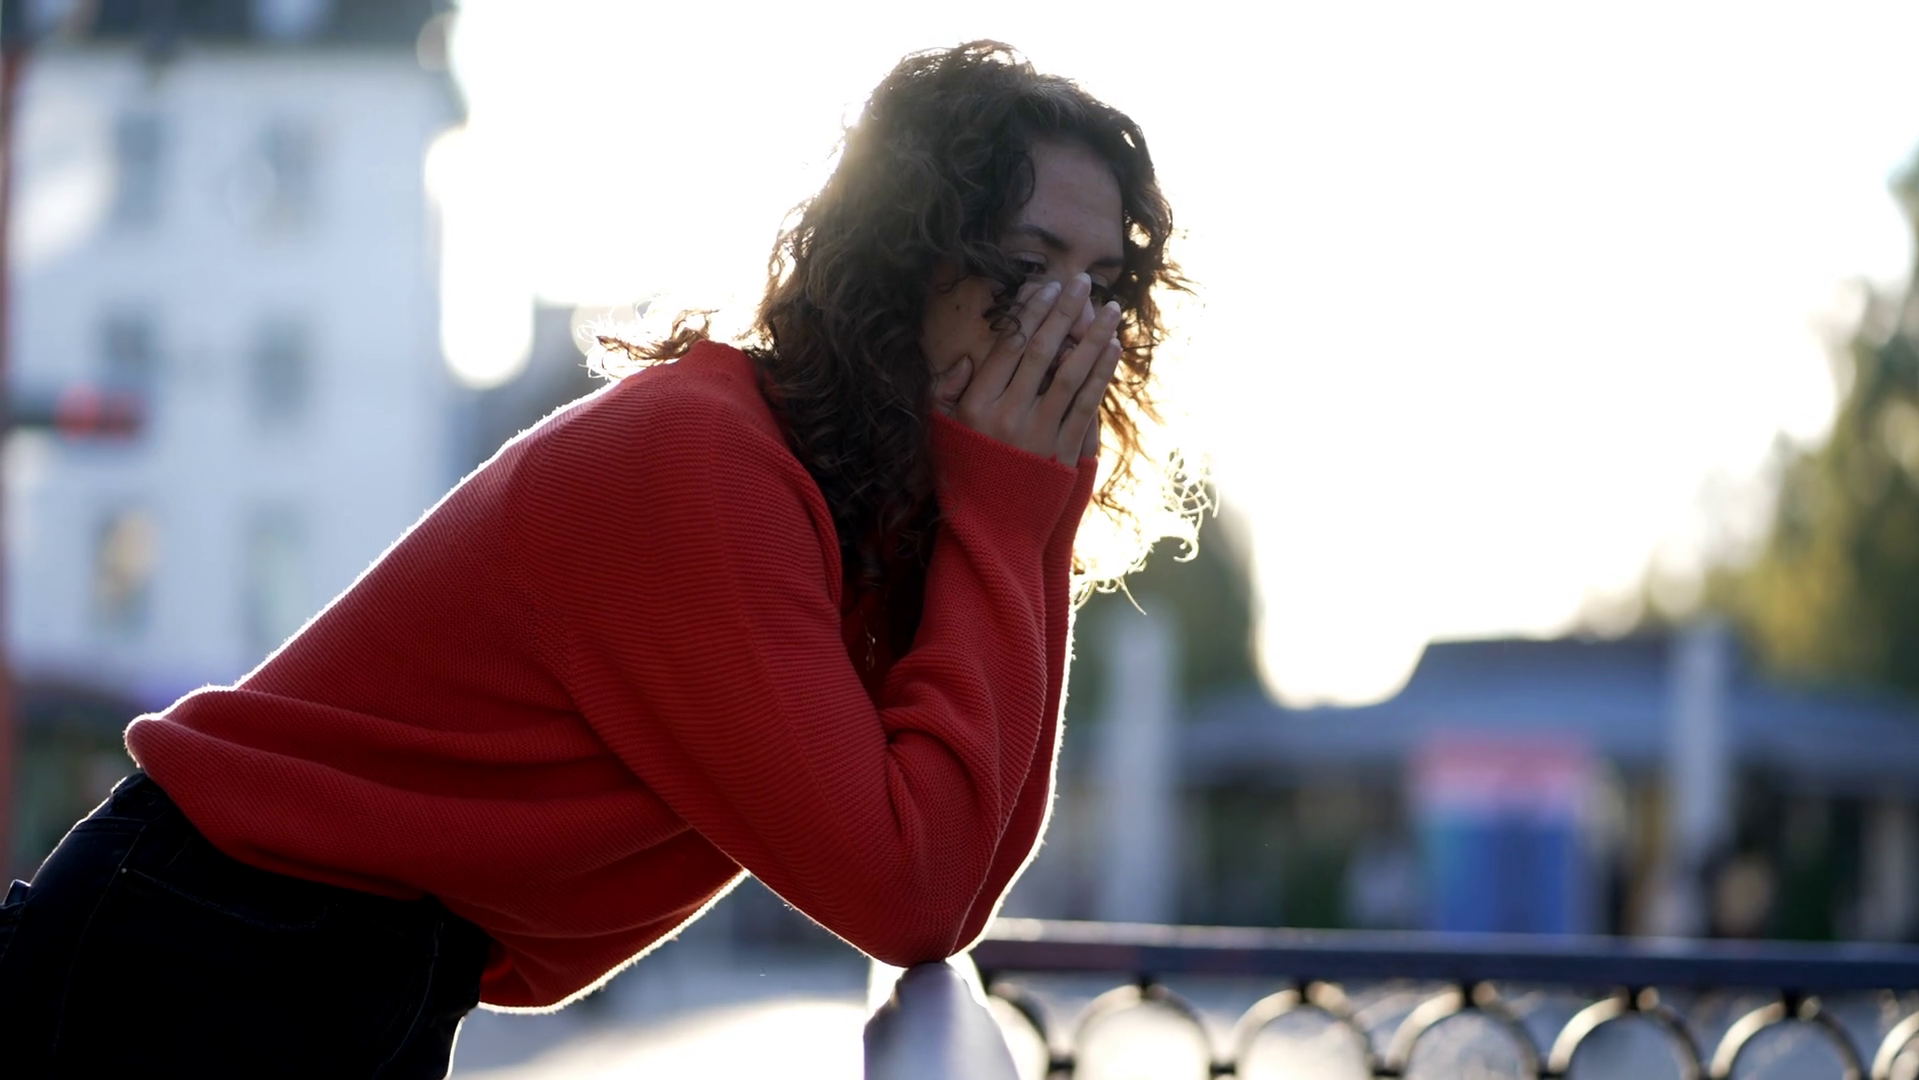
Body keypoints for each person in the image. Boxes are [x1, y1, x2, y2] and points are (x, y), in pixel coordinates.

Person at [0, 40, 1194, 1077]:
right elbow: (910, 892)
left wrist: (1034, 510)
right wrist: (1009, 505)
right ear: (907, 256)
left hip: (335, 960)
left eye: (1102, 288)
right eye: (1028, 268)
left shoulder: (859, 515)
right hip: (200, 943)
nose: (1071, 328)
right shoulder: (707, 463)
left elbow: (967, 866)